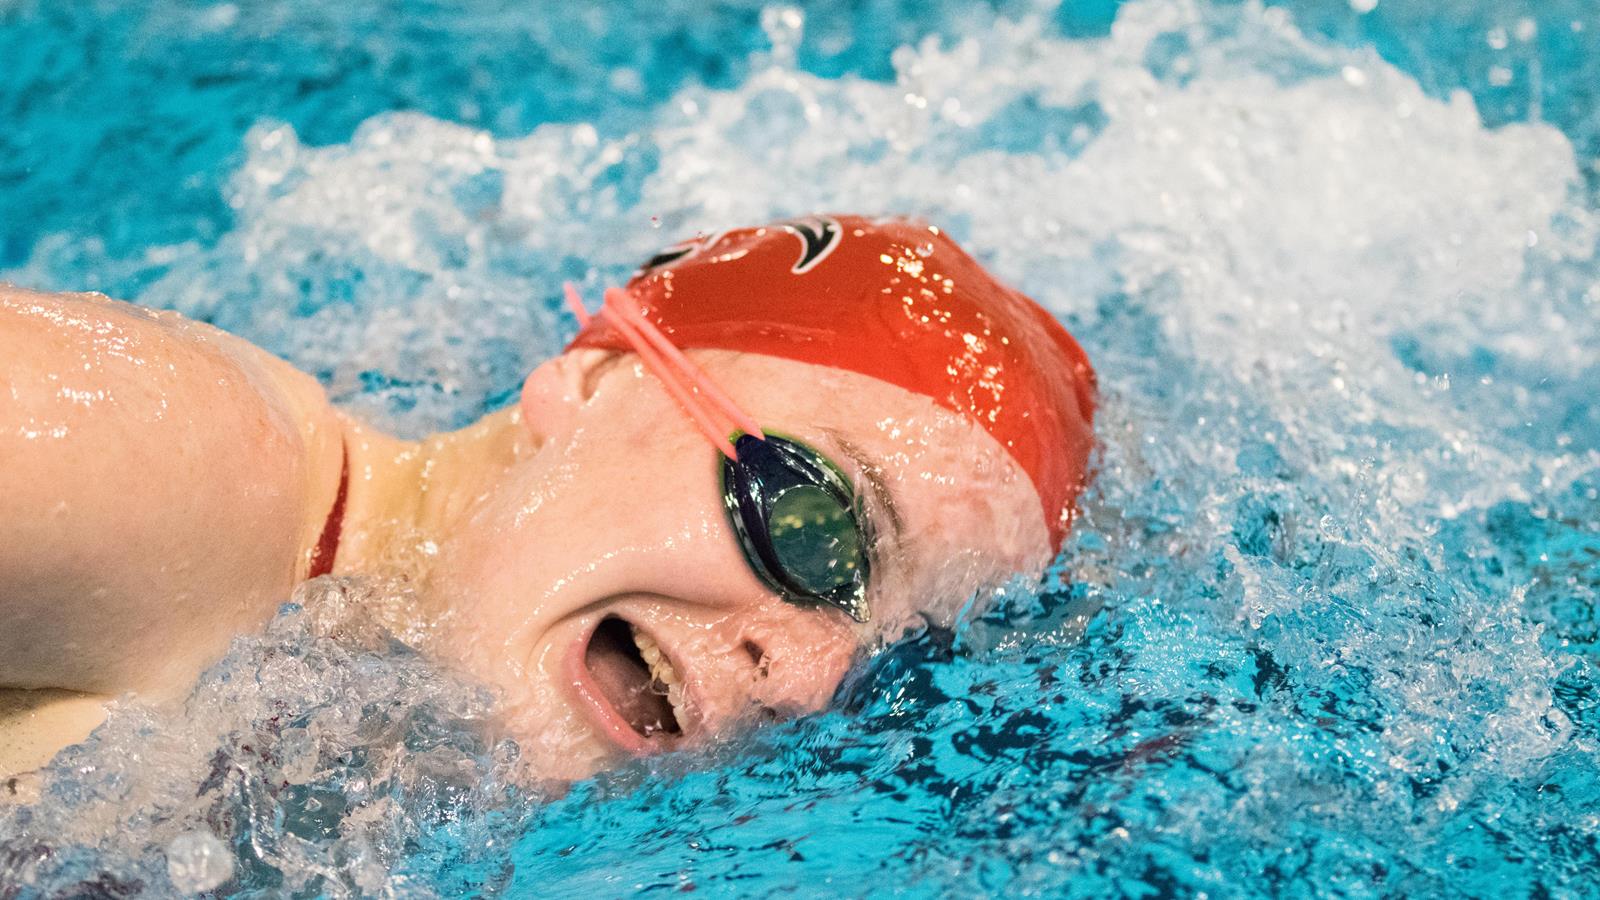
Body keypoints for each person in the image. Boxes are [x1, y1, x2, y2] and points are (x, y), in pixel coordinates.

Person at [0, 215, 1096, 781]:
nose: (809, 681)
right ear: (593, 379)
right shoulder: (180, 469)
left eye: (889, 650)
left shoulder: (383, 726)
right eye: (814, 528)